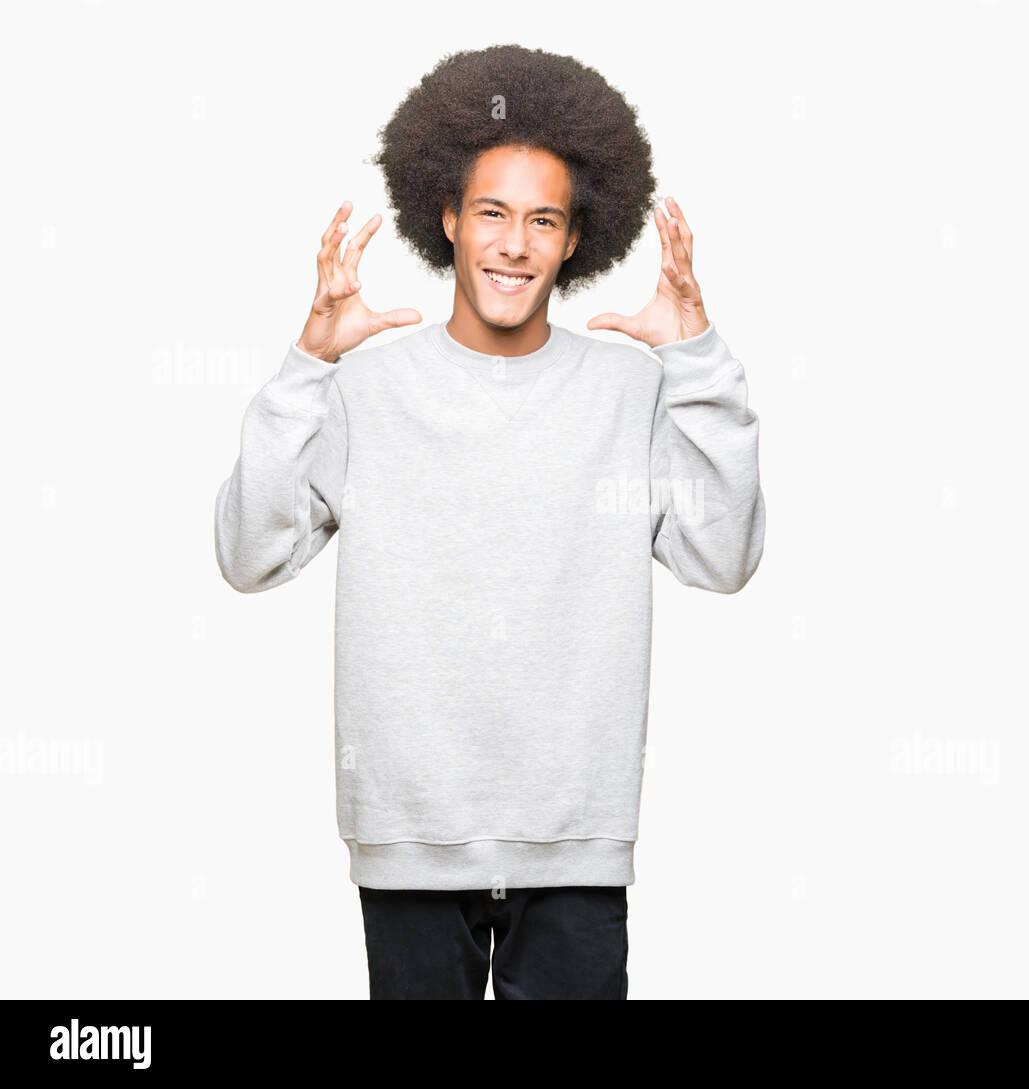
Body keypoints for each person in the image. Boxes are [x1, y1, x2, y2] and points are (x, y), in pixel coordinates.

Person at [213, 43, 765, 999]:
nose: (514, 244)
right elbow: (248, 555)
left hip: (577, 844)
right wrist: (306, 366)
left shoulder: (629, 389)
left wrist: (701, 365)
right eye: (493, 214)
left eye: (542, 219)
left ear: (575, 238)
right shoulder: (366, 386)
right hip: (409, 838)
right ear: (449, 219)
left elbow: (723, 557)